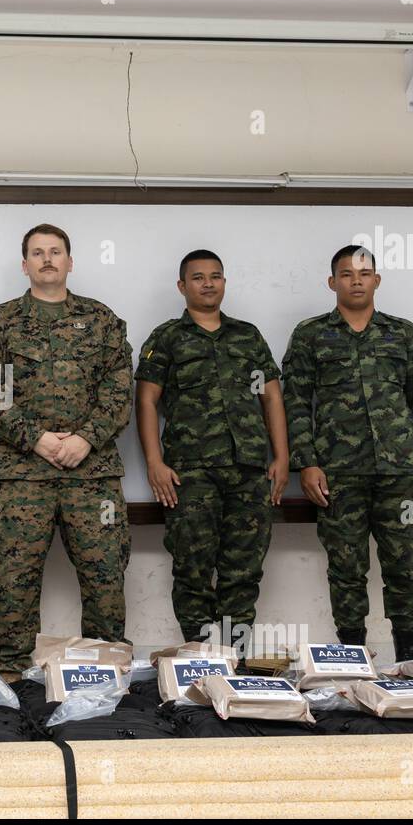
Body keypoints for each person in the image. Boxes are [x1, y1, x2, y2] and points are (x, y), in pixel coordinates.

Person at [0, 223, 133, 680]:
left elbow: (119, 391)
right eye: (37, 252)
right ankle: (11, 677)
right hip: (22, 477)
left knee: (105, 579)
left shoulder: (102, 321)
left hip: (93, 475)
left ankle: (105, 679)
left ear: (70, 261)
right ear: (24, 264)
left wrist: (86, 438)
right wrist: (37, 438)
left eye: (55, 251)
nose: (47, 259)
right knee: (14, 581)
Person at [282, 244, 413, 661]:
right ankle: (352, 661)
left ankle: (408, 663)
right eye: (346, 274)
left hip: (400, 473)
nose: (355, 281)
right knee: (346, 569)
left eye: (363, 274)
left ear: (376, 279)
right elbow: (295, 402)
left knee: (405, 567)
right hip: (338, 475)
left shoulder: (402, 332)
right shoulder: (311, 334)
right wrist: (306, 463)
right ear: (332, 282)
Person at [135, 249, 288, 663]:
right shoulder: (166, 337)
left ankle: (233, 662)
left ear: (224, 282)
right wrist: (154, 462)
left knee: (243, 573)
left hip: (249, 471)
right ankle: (201, 661)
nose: (208, 283)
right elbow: (146, 401)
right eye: (198, 277)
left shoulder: (248, 335)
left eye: (216, 276)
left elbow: (271, 397)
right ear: (182, 287)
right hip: (190, 473)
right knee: (193, 570)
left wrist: (282, 456)